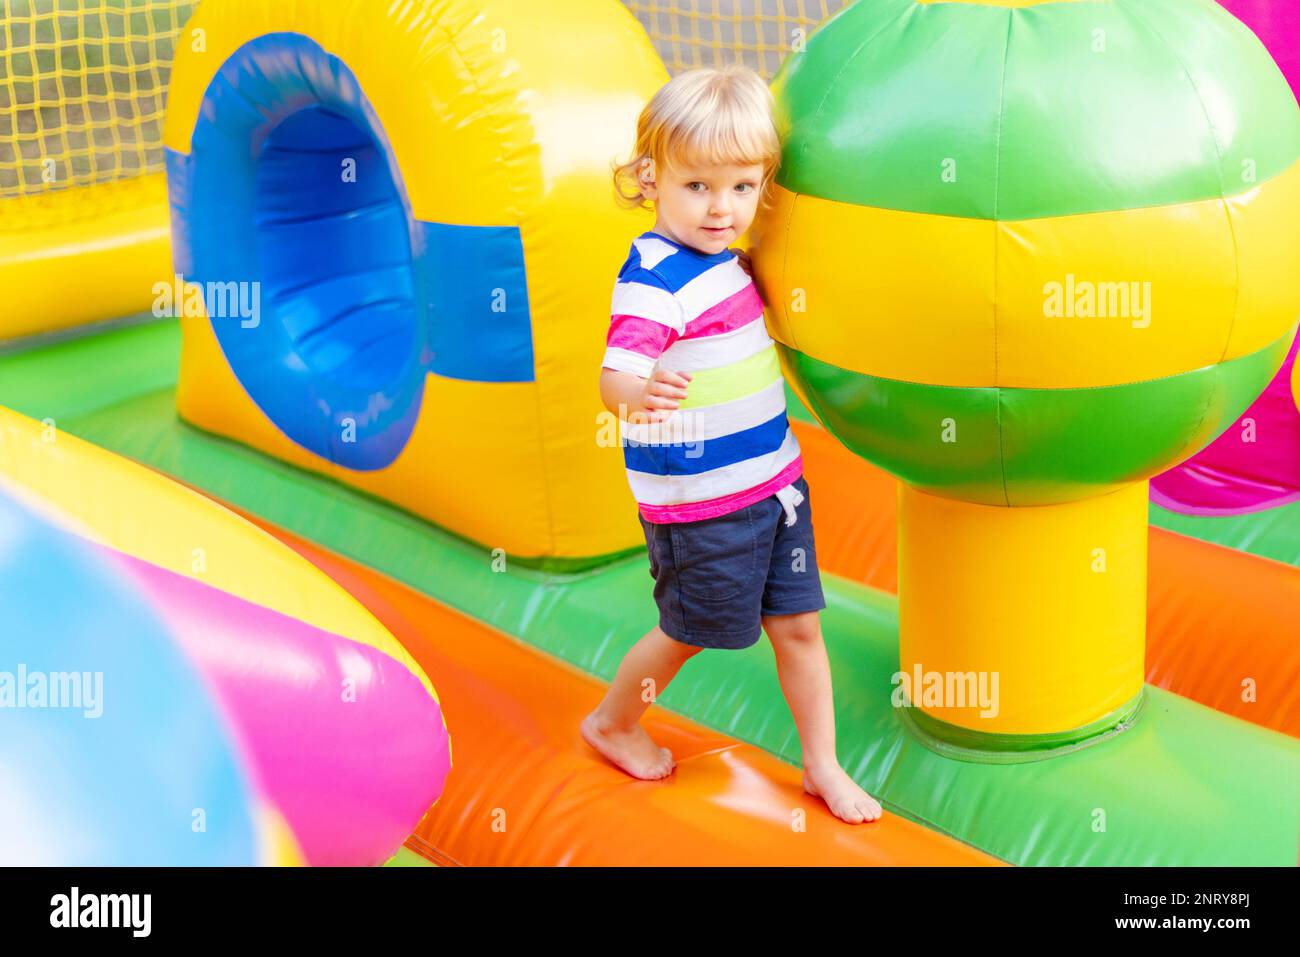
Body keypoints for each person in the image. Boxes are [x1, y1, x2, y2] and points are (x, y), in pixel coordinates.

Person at [582, 64, 882, 825]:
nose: (723, 208)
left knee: (800, 626)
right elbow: (615, 375)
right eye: (700, 187)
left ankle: (822, 765)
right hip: (701, 502)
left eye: (743, 188)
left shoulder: (727, 261)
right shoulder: (654, 277)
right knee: (690, 632)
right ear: (651, 179)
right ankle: (612, 721)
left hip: (776, 486)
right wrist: (636, 395)